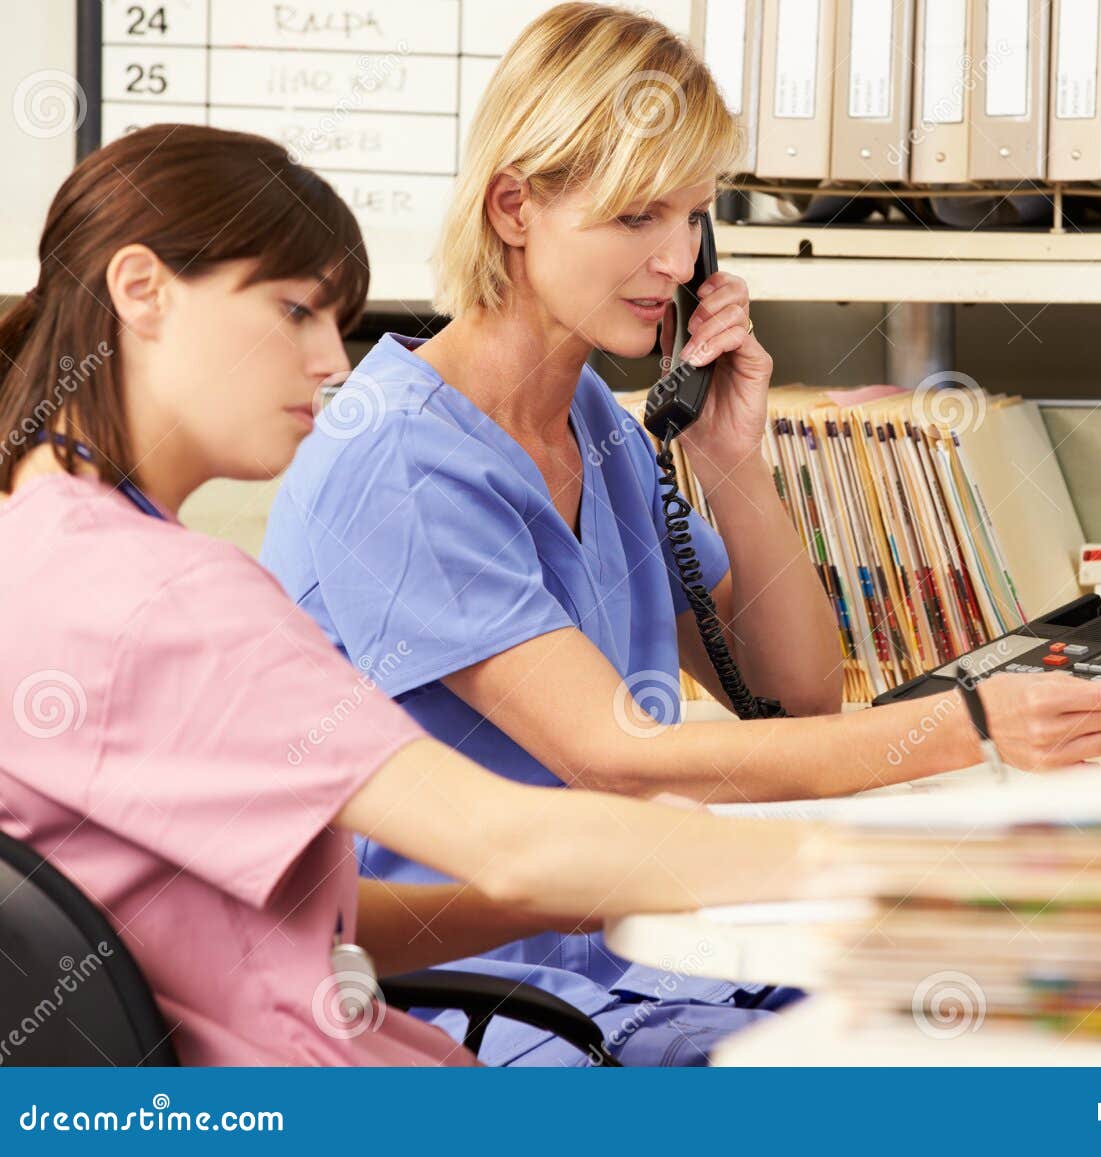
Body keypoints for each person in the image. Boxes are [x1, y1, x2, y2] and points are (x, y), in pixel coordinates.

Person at [260, 3, 1101, 1064]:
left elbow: (787, 693)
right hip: (467, 990)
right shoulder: (403, 459)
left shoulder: (596, 418)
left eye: (696, 217)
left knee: (1042, 1014)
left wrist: (732, 457)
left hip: (634, 940)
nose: (679, 261)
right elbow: (620, 757)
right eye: (639, 216)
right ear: (515, 207)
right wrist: (972, 718)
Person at [0, 124, 829, 1067]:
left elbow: (305, 932)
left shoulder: (39, 551)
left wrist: (594, 886)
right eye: (294, 311)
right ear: (141, 290)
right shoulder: (178, 597)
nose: (330, 363)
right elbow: (506, 840)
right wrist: (900, 869)